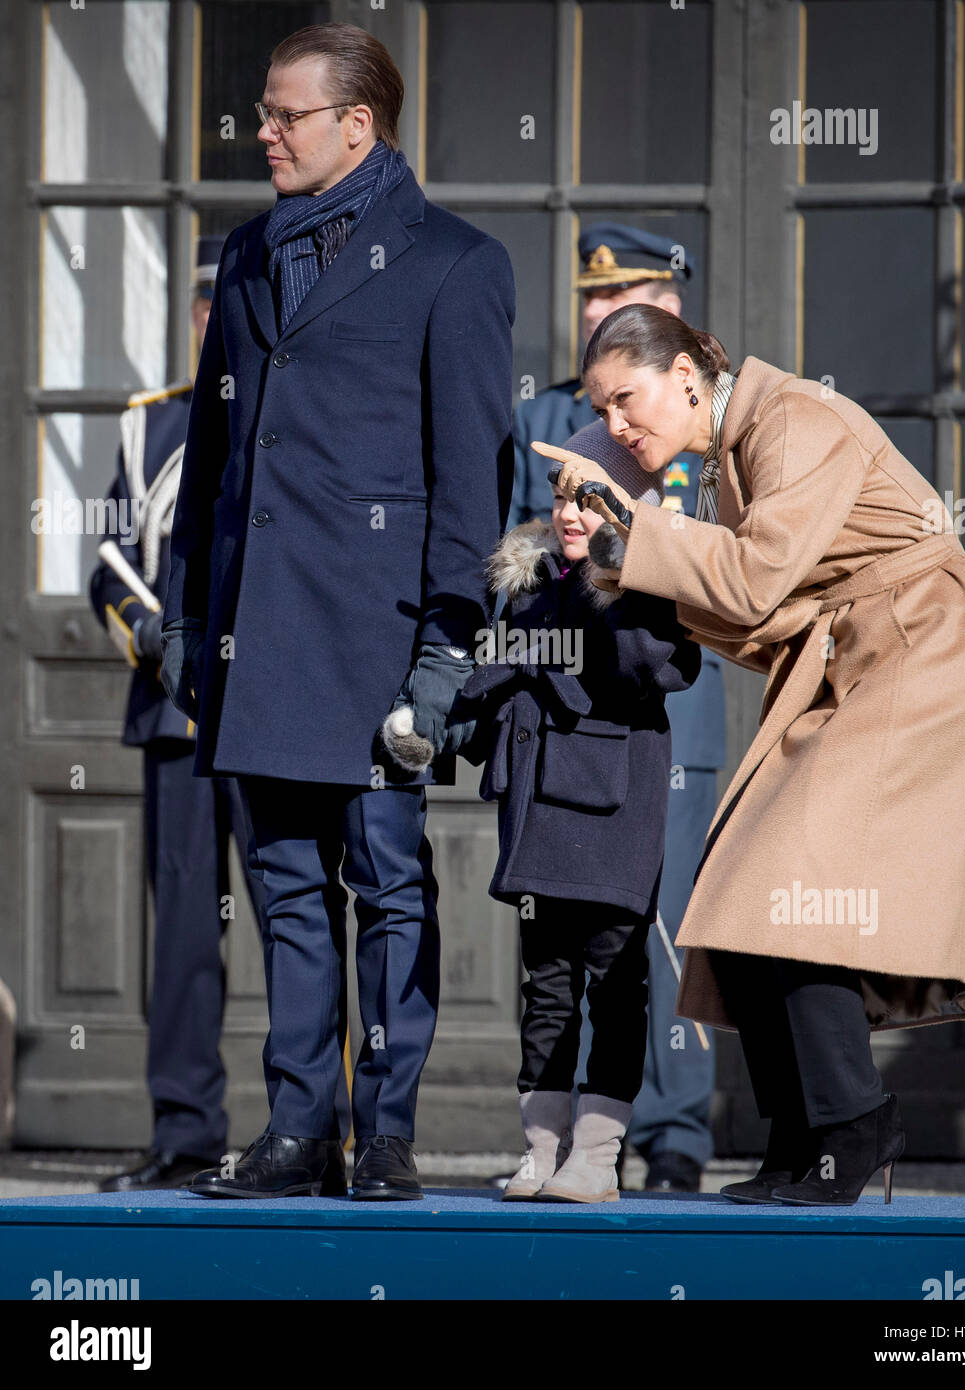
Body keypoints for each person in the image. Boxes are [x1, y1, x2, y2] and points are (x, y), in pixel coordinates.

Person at [540, 303, 965, 1206]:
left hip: (919, 657)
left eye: (625, 399)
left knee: (783, 889)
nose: (616, 423)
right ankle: (804, 1136)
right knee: (739, 897)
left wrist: (631, 528)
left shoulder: (793, 419)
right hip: (857, 660)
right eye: (599, 406)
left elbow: (754, 579)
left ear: (686, 376)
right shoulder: (734, 451)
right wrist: (631, 555)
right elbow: (761, 613)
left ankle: (853, 1128)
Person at [160, 22, 515, 1201]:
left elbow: (473, 478)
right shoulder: (252, 253)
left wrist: (443, 649)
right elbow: (209, 462)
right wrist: (181, 615)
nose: (260, 131)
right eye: (263, 113)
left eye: (283, 115)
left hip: (379, 637)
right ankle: (298, 1130)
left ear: (355, 126)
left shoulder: (455, 263)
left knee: (390, 887)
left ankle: (390, 1130)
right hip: (257, 634)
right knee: (286, 891)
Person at [511, 222, 723, 1192]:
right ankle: (569, 1134)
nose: (597, 311)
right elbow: (522, 540)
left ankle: (673, 1130)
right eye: (589, 299)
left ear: (669, 305)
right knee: (566, 931)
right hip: (576, 698)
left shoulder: (704, 410)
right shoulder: (556, 414)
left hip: (675, 697)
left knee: (662, 915)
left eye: (620, 295)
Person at [453, 419, 699, 1202]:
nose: (568, 515)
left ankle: (596, 1157)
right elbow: (494, 681)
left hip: (609, 810)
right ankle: (540, 1148)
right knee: (546, 984)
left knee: (614, 980)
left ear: (624, 514)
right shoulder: (529, 587)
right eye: (562, 499)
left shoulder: (643, 587)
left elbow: (649, 671)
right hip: (538, 812)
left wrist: (613, 574)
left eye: (588, 502)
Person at [89, 239, 277, 1193]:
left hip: (269, 708)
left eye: (225, 305)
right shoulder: (150, 426)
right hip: (176, 714)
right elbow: (111, 566)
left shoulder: (283, 410)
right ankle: (186, 1130)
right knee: (183, 939)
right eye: (201, 307)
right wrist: (164, 647)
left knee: (295, 923)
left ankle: (307, 1129)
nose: (212, 320)